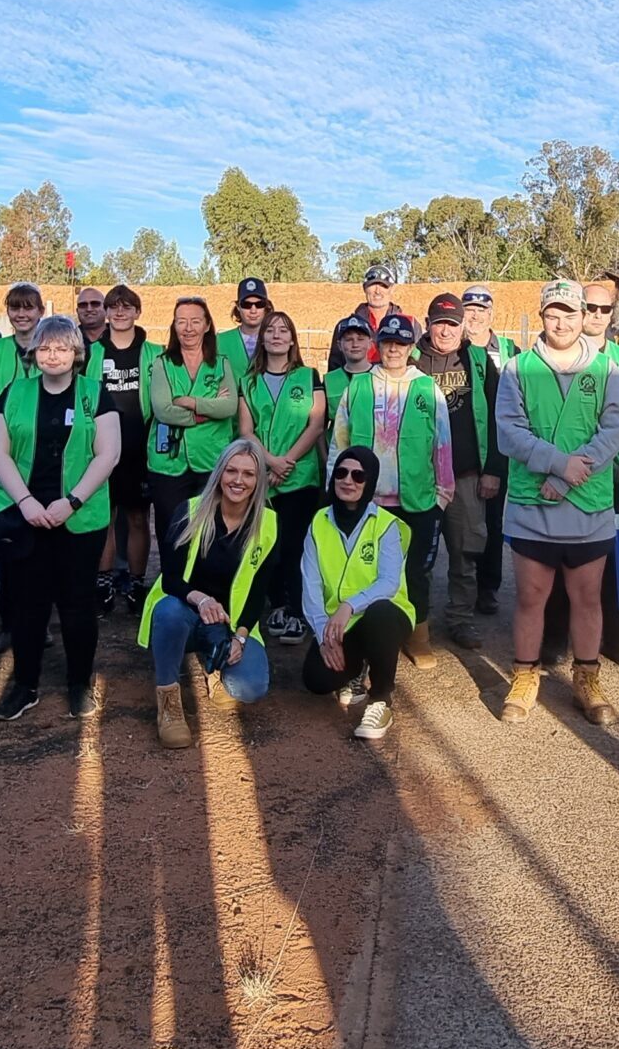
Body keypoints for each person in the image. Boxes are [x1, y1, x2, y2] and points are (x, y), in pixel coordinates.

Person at [493, 280, 619, 725]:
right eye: (554, 313)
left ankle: (587, 679)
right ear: (542, 314)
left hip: (587, 503)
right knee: (532, 596)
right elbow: (509, 431)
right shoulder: (518, 368)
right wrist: (555, 465)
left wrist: (571, 477)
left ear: (582, 317)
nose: (562, 322)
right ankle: (525, 675)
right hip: (534, 503)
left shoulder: (607, 368)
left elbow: (613, 429)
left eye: (570, 313)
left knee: (587, 597)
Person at [0, 315, 122, 721]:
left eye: (62, 347)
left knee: (77, 605)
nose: (52, 355)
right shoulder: (14, 392)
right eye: (45, 347)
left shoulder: (95, 394)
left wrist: (73, 501)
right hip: (26, 516)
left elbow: (108, 453)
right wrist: (26, 502)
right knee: (28, 606)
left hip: (78, 518)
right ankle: (25, 684)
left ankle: (79, 682)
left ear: (76, 353)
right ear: (34, 352)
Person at [140, 438, 282, 747]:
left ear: (258, 481)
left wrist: (240, 637)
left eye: (248, 474)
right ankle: (168, 702)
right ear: (219, 473)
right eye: (231, 471)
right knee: (167, 611)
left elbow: (259, 593)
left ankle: (214, 665)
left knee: (250, 688)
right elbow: (172, 579)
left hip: (230, 622)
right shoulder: (189, 511)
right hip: (187, 612)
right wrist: (201, 599)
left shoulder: (269, 524)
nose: (238, 480)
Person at [331, 311, 452, 669]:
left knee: (416, 570)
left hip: (418, 499)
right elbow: (340, 440)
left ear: (412, 347)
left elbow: (442, 442)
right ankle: (366, 637)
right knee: (368, 571)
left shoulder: (427, 388)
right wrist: (336, 487)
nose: (394, 349)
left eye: (401, 343)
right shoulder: (359, 387)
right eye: (387, 342)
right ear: (377, 345)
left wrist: (443, 493)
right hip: (370, 500)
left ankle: (418, 636)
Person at [301, 446, 418, 741]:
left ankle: (381, 700)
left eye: (358, 475)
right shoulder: (318, 522)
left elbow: (389, 582)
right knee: (316, 679)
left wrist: (348, 606)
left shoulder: (387, 525)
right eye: (341, 472)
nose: (348, 481)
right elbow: (310, 586)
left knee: (380, 614)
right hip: (340, 625)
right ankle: (355, 672)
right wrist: (322, 637)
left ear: (370, 482)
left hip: (386, 615)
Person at [414, 294, 503, 650]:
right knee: (414, 553)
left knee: (465, 553)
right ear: (428, 323)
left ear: (462, 325)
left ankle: (460, 619)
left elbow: (500, 417)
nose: (446, 330)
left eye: (453, 323)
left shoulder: (478, 361)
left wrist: (493, 469)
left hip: (465, 474)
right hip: (418, 477)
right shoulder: (411, 359)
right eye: (440, 323)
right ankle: (414, 622)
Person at [236, 310, 326, 644]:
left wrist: (287, 461)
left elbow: (316, 424)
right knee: (266, 545)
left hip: (300, 477)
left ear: (292, 339)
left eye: (283, 330)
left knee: (295, 546)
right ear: (262, 338)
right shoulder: (249, 380)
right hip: (261, 476)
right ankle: (274, 605)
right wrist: (270, 462)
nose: (276, 335)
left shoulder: (309, 375)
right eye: (270, 329)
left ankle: (296, 609)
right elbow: (246, 430)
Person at [145, 295, 238, 570]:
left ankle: (207, 588)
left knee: (212, 528)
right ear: (174, 326)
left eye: (195, 321)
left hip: (211, 460)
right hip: (168, 463)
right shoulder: (163, 363)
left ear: (207, 325)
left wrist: (190, 401)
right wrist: (206, 412)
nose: (188, 328)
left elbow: (230, 406)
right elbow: (163, 410)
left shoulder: (221, 364)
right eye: (181, 321)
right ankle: (171, 585)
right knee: (170, 530)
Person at [95, 284, 158, 612]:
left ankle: (136, 583)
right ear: (106, 312)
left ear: (137, 312)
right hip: (101, 448)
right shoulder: (91, 353)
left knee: (137, 518)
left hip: (139, 447)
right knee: (105, 516)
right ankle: (103, 583)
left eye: (127, 307)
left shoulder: (154, 352)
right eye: (114, 307)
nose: (120, 313)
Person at [461, 284, 516, 612]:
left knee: (493, 522)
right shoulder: (456, 347)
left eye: (482, 310)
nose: (475, 316)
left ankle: (488, 587)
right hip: (465, 446)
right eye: (470, 310)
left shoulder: (511, 350)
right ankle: (464, 585)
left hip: (499, 447)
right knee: (465, 523)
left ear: (491, 314)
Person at [345, 266, 414, 363]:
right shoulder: (346, 326)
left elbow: (417, 363)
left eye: (383, 285)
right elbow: (336, 365)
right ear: (364, 288)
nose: (377, 291)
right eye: (372, 285)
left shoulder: (410, 323)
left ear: (392, 289)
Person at [0, 282, 46, 395]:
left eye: (28, 308)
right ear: (7, 311)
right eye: (15, 308)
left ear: (41, 311)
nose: (21, 314)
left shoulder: (55, 350)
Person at [219, 277, 271, 377]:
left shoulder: (277, 340)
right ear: (238, 307)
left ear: (266, 306)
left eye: (259, 304)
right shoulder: (220, 341)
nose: (253, 310)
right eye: (246, 305)